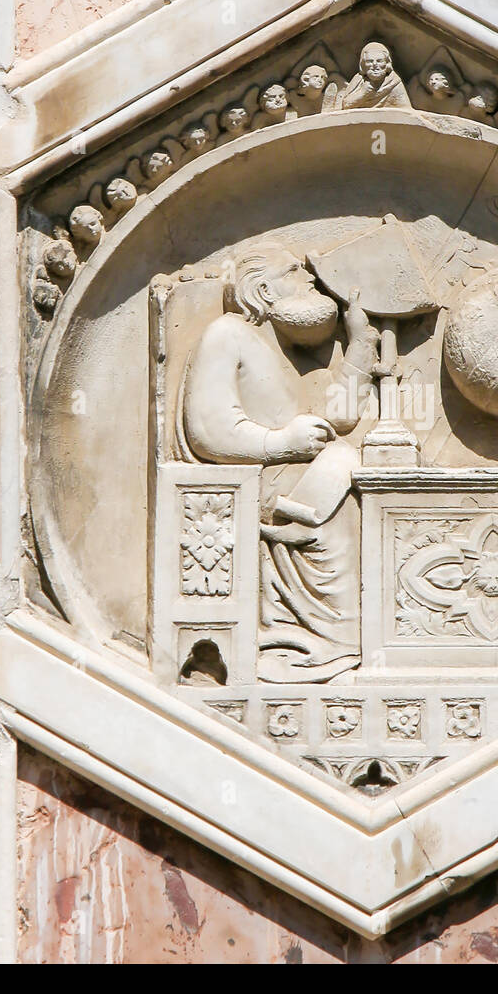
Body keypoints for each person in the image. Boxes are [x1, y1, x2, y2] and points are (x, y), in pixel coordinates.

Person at [179, 245, 380, 681]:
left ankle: (338, 643)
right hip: (271, 492)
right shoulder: (227, 334)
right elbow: (209, 429)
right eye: (295, 271)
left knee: (359, 471)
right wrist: (280, 442)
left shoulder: (286, 354)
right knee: (342, 483)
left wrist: (361, 344)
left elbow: (338, 417)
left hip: (303, 479)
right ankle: (316, 646)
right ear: (265, 291)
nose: (310, 278)